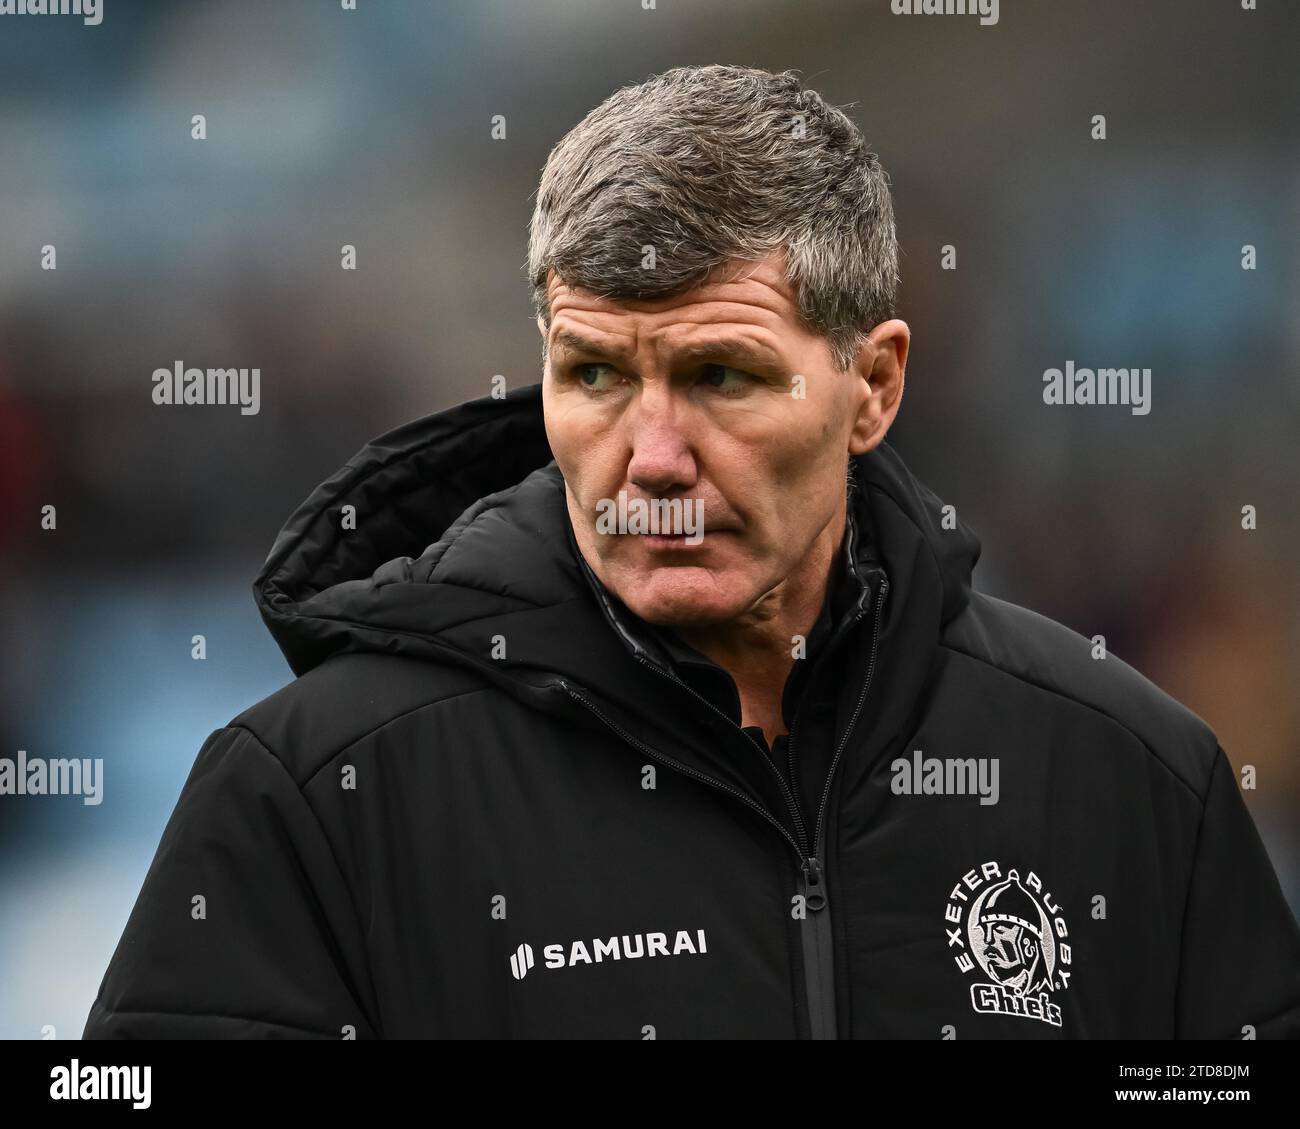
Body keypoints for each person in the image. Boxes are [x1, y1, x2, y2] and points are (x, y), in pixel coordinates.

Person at [84, 64, 1300, 1040]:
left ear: (872, 384)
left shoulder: (1129, 776)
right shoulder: (317, 792)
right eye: (596, 373)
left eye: (720, 375)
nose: (651, 453)